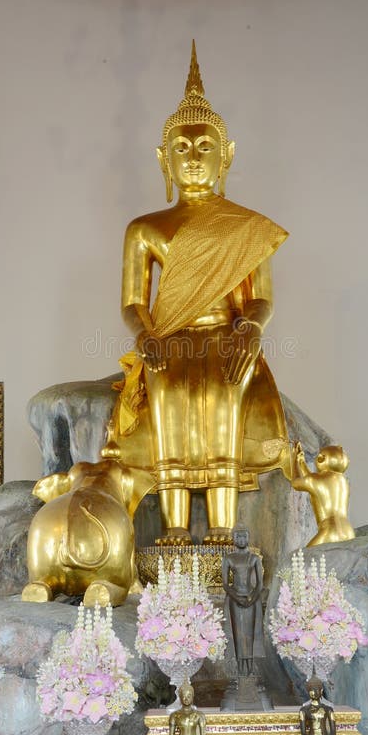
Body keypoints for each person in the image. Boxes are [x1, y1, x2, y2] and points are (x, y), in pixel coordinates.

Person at [102, 41, 290, 545]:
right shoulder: (145, 228)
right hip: (169, 337)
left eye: (204, 146)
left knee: (227, 396)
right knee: (166, 399)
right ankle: (175, 529)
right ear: (163, 158)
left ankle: (225, 530)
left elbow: (261, 297)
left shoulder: (248, 226)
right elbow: (132, 301)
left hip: (227, 334)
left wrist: (249, 328)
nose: (192, 158)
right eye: (181, 149)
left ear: (226, 155)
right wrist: (144, 336)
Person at [222, 524, 264, 677]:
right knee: (239, 634)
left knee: (249, 634)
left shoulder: (254, 558)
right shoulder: (229, 558)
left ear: (248, 538)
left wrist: (251, 597)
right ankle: (240, 670)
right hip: (235, 599)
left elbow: (260, 584)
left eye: (243, 536)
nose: (241, 539)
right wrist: (237, 597)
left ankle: (251, 669)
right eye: (238, 536)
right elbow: (225, 584)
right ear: (233, 539)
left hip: (251, 598)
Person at [291, 444, 355, 545]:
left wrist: (294, 461)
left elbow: (296, 483)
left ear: (321, 459)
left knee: (304, 558)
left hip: (330, 529)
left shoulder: (316, 480)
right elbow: (313, 480)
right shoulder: (343, 481)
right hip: (348, 531)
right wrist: (301, 462)